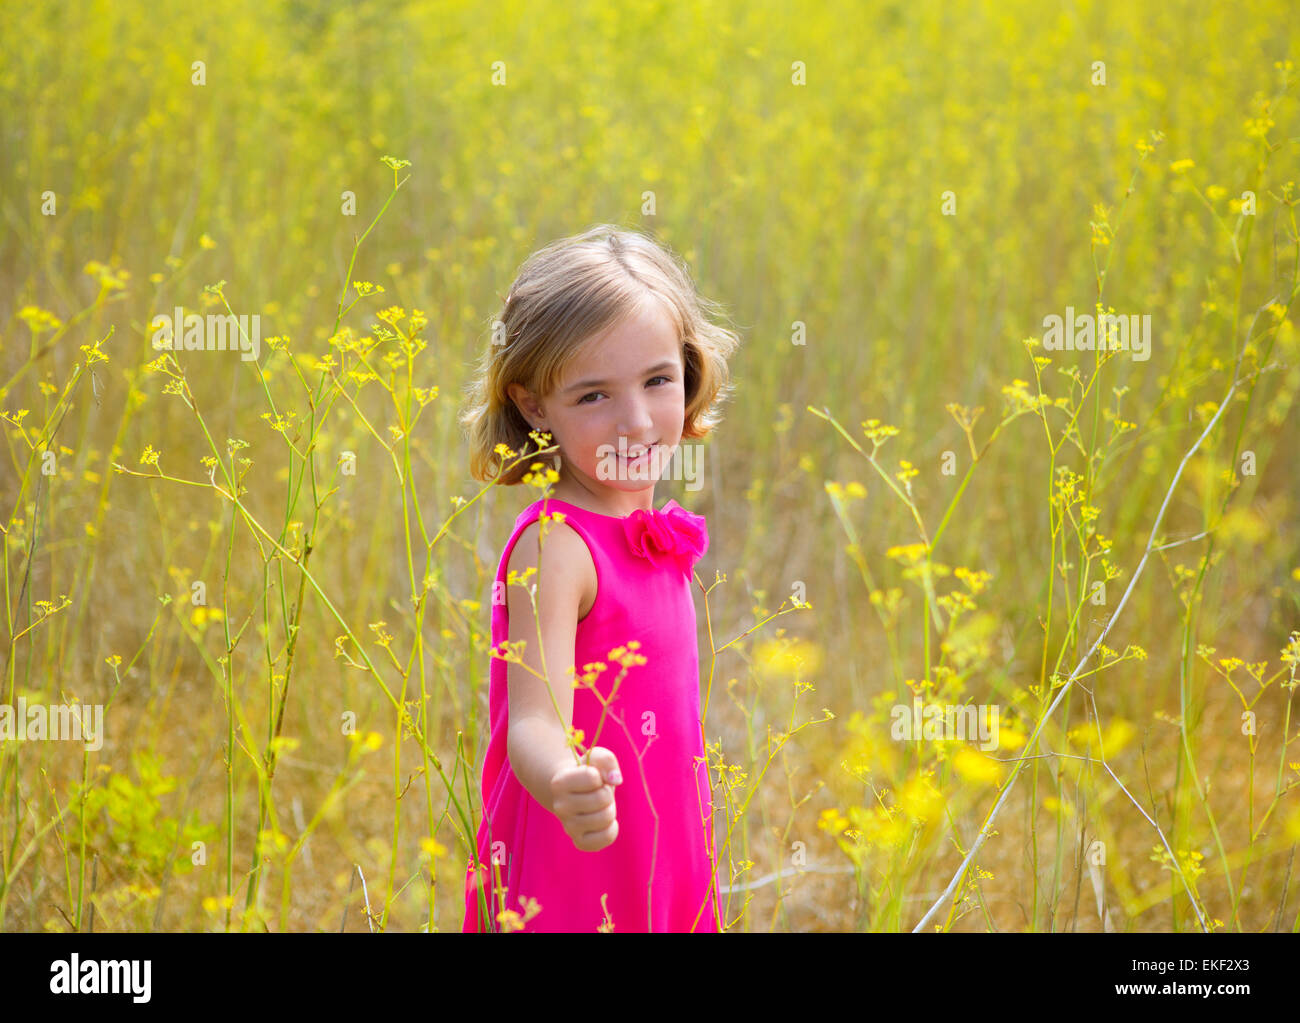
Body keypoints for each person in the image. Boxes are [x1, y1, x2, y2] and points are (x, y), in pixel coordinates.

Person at [458, 224, 740, 932]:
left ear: (688, 369)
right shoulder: (558, 546)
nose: (636, 421)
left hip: (660, 836)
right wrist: (563, 778)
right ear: (532, 405)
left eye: (657, 380)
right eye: (593, 397)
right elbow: (531, 717)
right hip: (578, 841)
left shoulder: (649, 535)